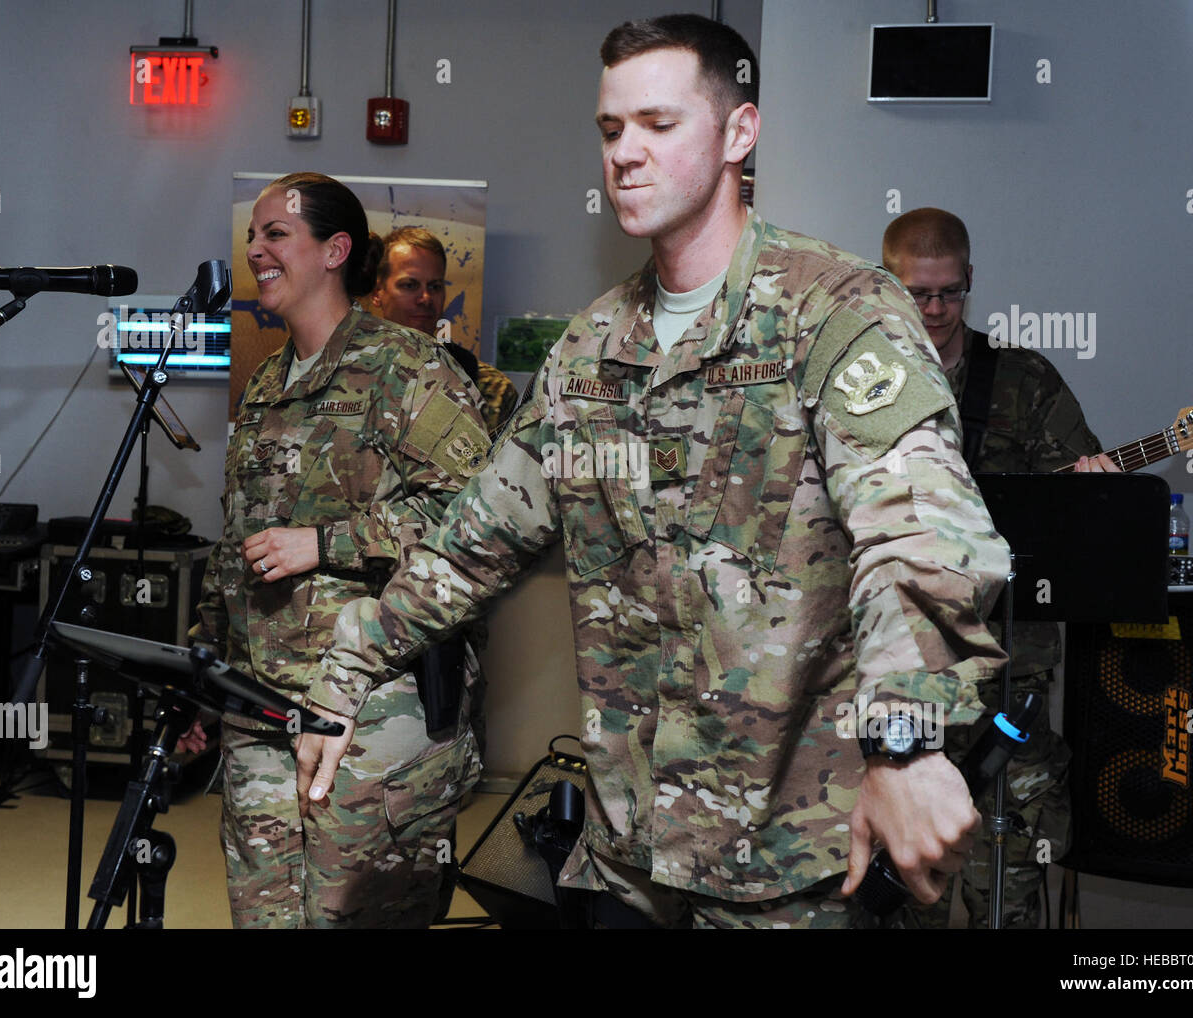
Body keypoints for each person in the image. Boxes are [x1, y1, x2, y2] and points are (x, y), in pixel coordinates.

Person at [299, 15, 1012, 929]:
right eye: (611, 130)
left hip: (795, 868)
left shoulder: (834, 313)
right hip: (627, 854)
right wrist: (350, 662)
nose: (626, 154)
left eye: (660, 125)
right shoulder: (589, 352)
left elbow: (920, 539)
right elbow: (472, 543)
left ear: (739, 134)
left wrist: (905, 747)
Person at [184, 172, 491, 928]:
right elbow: (238, 546)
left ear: (335, 250)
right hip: (258, 712)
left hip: (371, 714)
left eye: (275, 234)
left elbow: (477, 516)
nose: (254, 250)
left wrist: (325, 543)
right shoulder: (263, 387)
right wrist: (201, 670)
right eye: (252, 235)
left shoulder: (406, 369)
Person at [882, 207, 1117, 928]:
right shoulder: (851, 385)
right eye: (918, 294)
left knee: (1006, 900)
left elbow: (1080, 505)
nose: (936, 310)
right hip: (896, 688)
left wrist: (1095, 487)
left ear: (971, 283)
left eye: (950, 293)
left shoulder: (1021, 380)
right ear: (885, 288)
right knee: (899, 904)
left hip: (1007, 685)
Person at [369, 226, 519, 437]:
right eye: (410, 285)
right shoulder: (349, 374)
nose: (426, 298)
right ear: (377, 293)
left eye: (435, 286)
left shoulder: (490, 390)